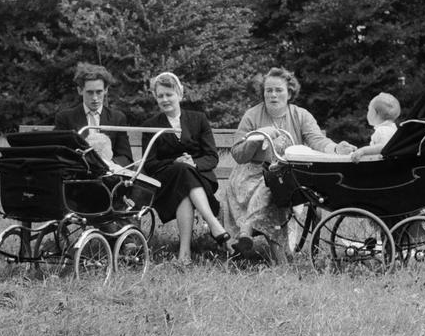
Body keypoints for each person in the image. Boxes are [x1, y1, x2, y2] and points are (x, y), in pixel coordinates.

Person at [225, 67, 354, 263]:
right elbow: (238, 154)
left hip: (285, 174)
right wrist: (259, 136)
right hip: (251, 175)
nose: (273, 95)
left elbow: (317, 141)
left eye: (278, 90)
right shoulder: (252, 115)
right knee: (273, 190)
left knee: (276, 188)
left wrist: (337, 148)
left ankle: (247, 230)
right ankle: (280, 260)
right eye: (268, 90)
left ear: (290, 93)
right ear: (263, 93)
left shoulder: (301, 115)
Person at [141, 71, 230, 265]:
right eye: (160, 96)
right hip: (166, 182)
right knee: (181, 172)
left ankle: (184, 255)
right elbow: (149, 164)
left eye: (169, 94)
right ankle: (213, 223)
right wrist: (176, 163)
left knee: (184, 181)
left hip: (199, 178)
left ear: (180, 94)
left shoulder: (198, 119)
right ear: (156, 98)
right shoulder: (150, 125)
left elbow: (212, 157)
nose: (165, 99)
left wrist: (193, 163)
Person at [53, 62, 133, 167]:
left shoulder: (117, 118)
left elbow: (126, 157)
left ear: (106, 90)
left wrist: (109, 165)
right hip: (79, 172)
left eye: (99, 92)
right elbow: (59, 155)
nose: (95, 98)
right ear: (80, 90)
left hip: (109, 172)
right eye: (90, 92)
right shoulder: (65, 118)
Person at [350, 93, 401, 162]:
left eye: (369, 110)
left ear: (373, 113)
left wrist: (363, 151)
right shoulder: (392, 129)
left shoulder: (383, 130)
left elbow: (384, 147)